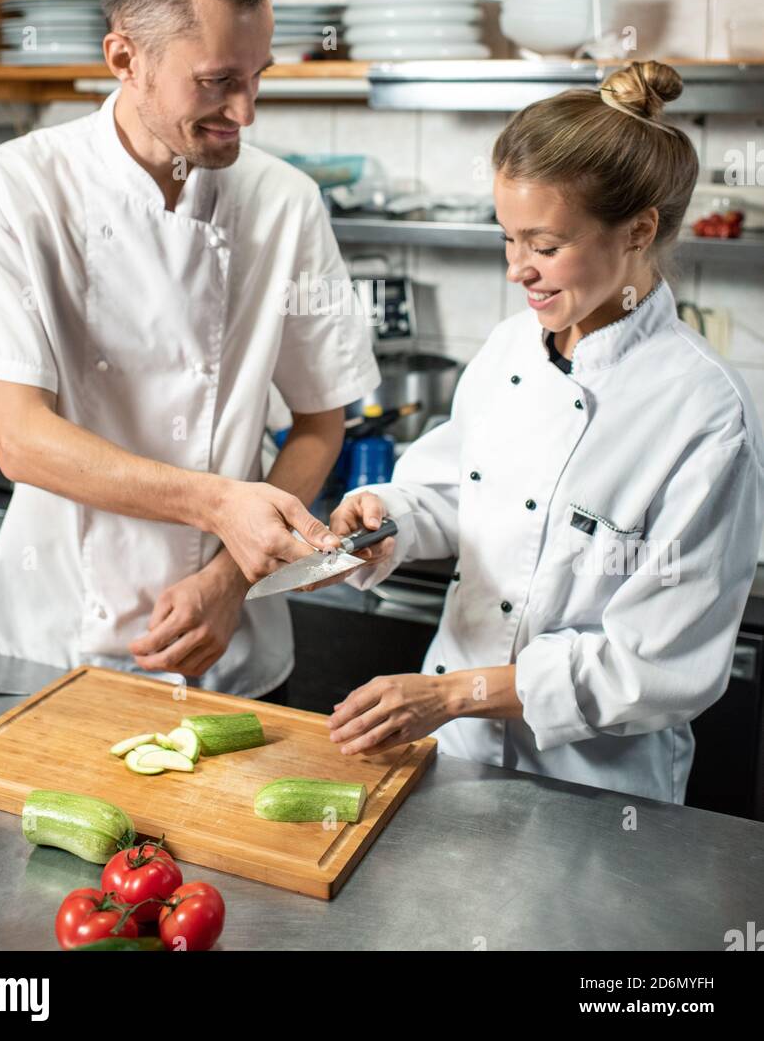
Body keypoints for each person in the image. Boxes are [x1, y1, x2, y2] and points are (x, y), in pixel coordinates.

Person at [0, 0, 380, 699]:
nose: (246, 111)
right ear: (124, 58)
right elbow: (22, 442)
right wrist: (220, 508)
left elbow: (319, 421)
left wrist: (232, 579)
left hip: (226, 649)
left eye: (257, 74)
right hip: (47, 645)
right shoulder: (17, 189)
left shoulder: (285, 202)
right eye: (216, 82)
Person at [327, 60, 764, 803]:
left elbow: (650, 669)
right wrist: (387, 517)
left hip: (597, 792)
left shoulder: (705, 412)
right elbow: (452, 493)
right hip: (454, 759)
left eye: (545, 245)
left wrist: (452, 694)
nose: (516, 270)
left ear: (639, 231)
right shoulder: (508, 350)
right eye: (508, 239)